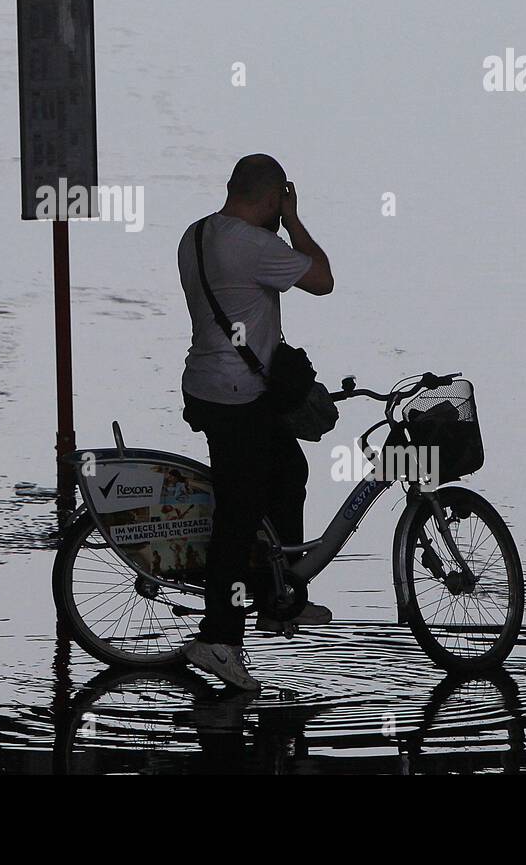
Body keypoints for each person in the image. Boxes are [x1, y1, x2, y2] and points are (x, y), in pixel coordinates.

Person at [176, 154, 335, 693]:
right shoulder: (256, 244)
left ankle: (276, 599)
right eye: (277, 203)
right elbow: (322, 279)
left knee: (289, 471)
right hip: (236, 395)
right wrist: (293, 220)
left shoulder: (195, 235)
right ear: (269, 200)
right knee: (239, 515)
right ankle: (217, 638)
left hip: (209, 384)